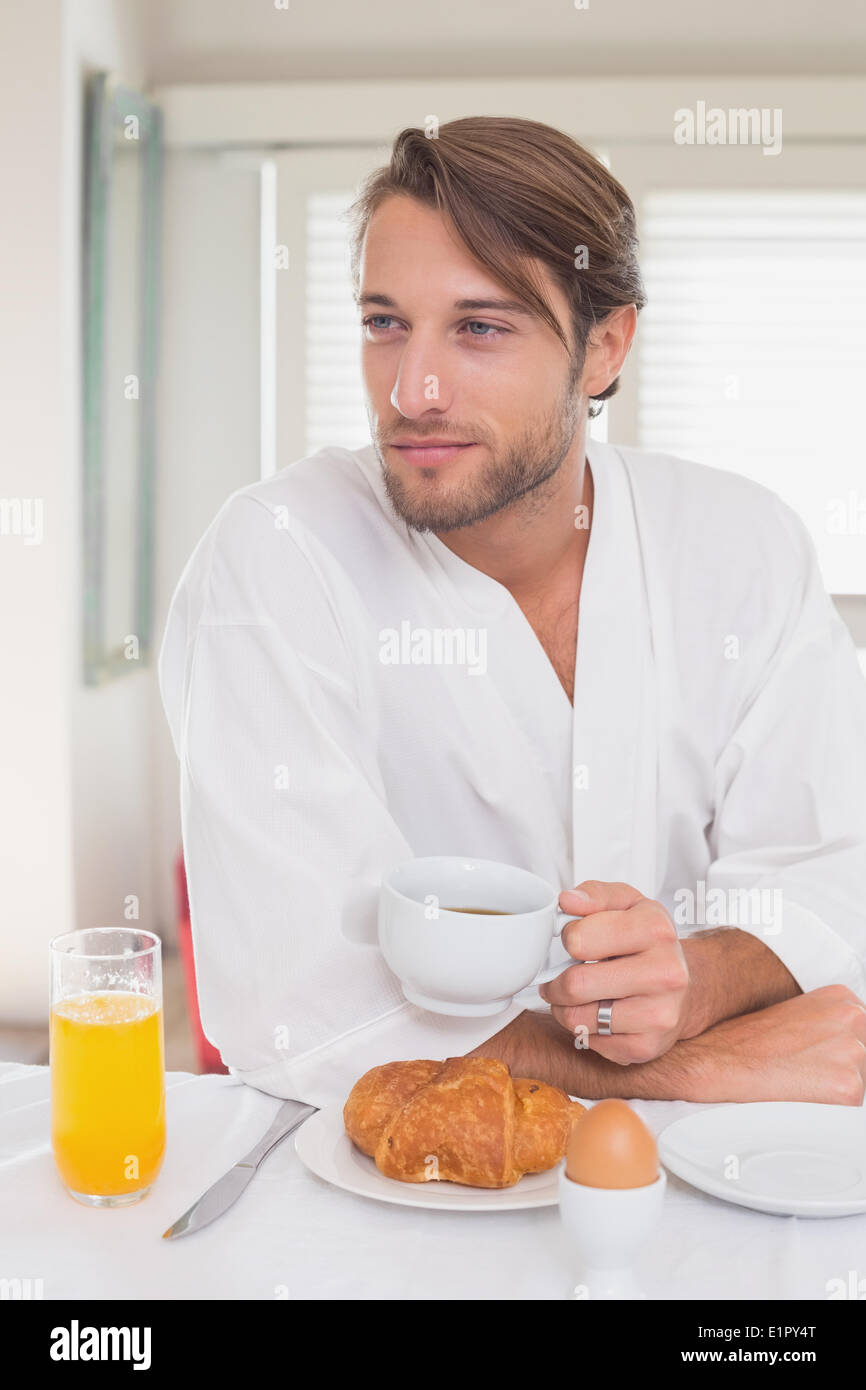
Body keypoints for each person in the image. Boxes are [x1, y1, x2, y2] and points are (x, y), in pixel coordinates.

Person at [158, 117, 866, 1111]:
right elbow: (301, 1004)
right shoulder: (276, 559)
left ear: (603, 346)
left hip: (710, 1182)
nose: (412, 389)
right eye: (384, 323)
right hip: (379, 1186)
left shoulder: (741, 547)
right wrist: (693, 1072)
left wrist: (694, 977)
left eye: (479, 328)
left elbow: (826, 865)